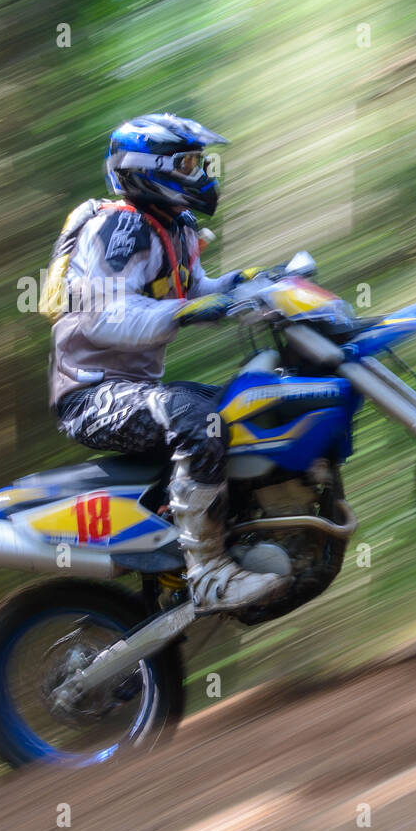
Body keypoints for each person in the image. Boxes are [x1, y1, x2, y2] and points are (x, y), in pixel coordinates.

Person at [44, 112, 287, 611]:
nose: (202, 174)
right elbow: (105, 317)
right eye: (189, 163)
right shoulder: (119, 226)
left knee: (241, 408)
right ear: (148, 169)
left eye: (200, 162)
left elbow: (201, 290)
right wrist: (192, 310)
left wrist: (261, 281)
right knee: (200, 420)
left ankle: (235, 536)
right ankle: (207, 572)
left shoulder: (171, 227)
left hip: (133, 390)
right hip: (91, 395)